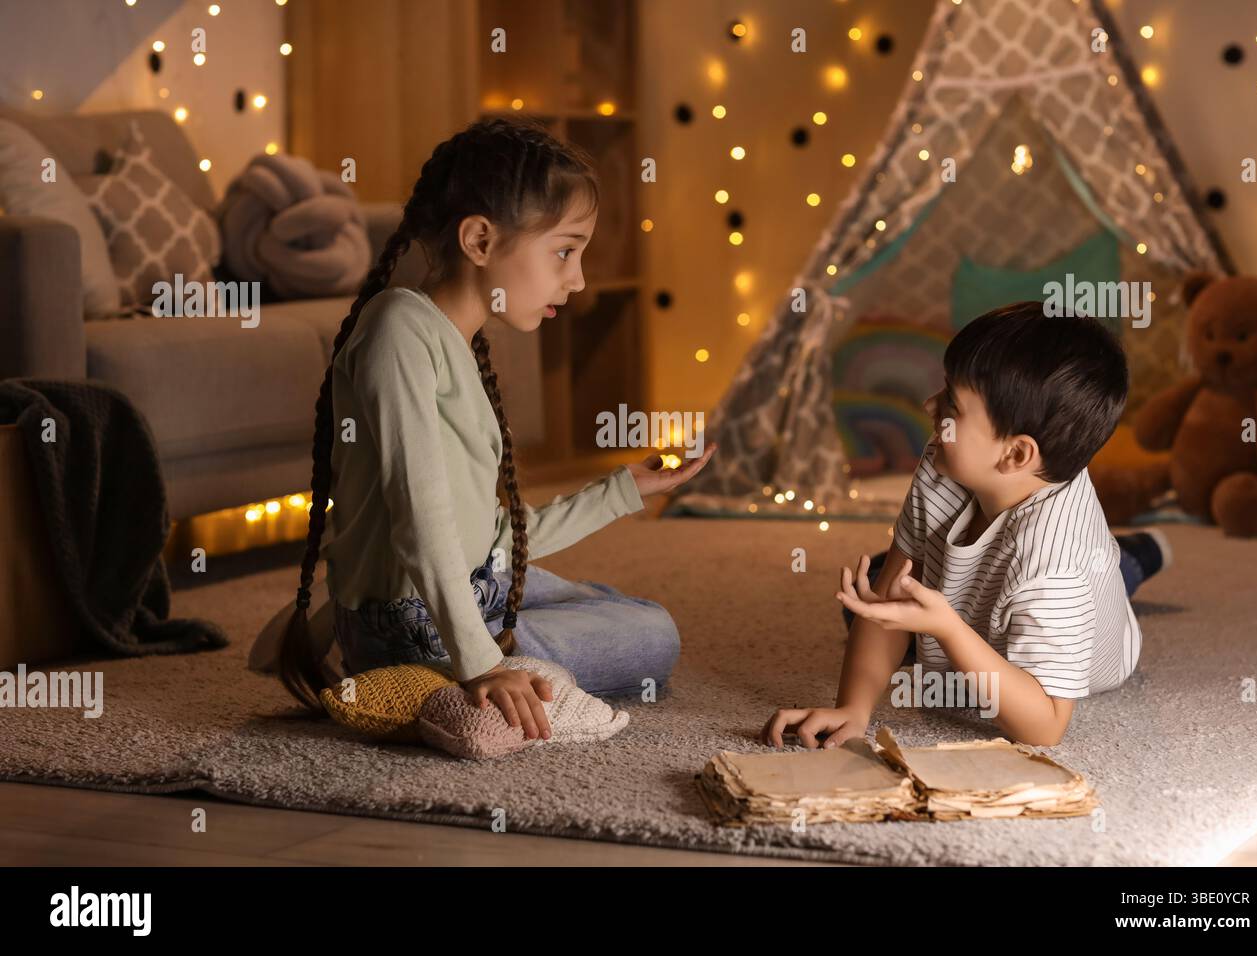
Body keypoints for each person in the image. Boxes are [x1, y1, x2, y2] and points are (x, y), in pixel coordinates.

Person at [277, 117, 716, 742]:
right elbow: (419, 518)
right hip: (413, 624)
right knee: (651, 635)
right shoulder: (399, 329)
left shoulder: (454, 338)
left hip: (467, 585)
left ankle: (468, 669)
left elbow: (492, 541)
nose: (579, 278)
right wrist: (481, 661)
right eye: (565, 251)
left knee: (624, 610)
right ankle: (443, 682)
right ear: (480, 239)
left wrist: (623, 489)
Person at [763, 301, 1170, 749]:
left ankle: (1135, 557)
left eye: (951, 405)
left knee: (1105, 575)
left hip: (1078, 625)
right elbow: (894, 594)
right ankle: (1111, 558)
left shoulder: (1059, 568)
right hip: (983, 590)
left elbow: (1045, 727)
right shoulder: (946, 460)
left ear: (1015, 455)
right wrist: (854, 709)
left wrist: (950, 628)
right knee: (871, 604)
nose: (929, 406)